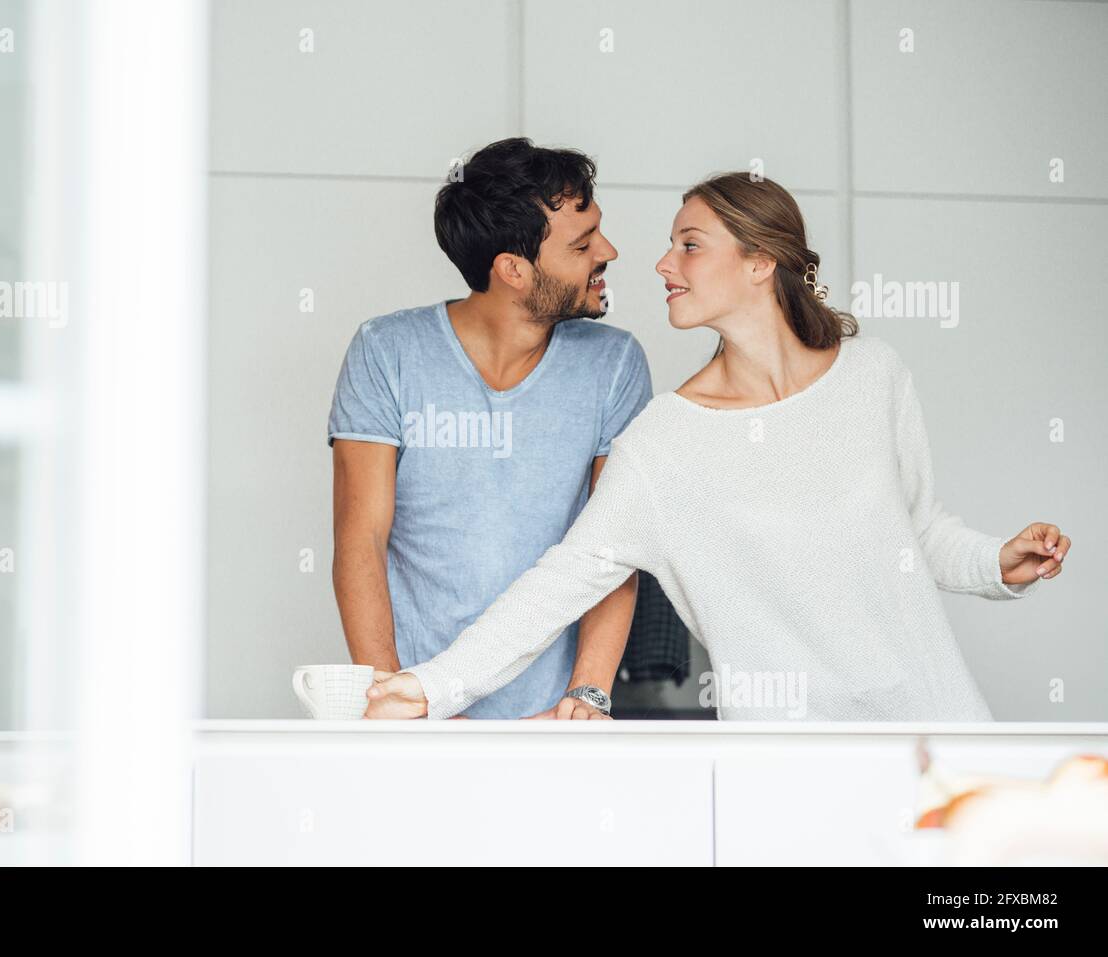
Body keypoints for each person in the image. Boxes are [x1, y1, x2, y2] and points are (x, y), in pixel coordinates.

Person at [365, 172, 1071, 721]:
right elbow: (555, 586)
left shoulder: (872, 374)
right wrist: (423, 688)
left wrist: (997, 562)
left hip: (935, 732)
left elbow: (917, 529)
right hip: (782, 774)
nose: (663, 264)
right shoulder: (663, 445)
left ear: (760, 261)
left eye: (689, 245)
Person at [329, 138, 653, 719]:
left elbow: (613, 546)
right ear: (513, 270)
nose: (608, 251)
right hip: (415, 704)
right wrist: (395, 699)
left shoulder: (616, 364)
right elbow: (360, 539)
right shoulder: (386, 351)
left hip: (551, 719)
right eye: (582, 244)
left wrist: (586, 697)